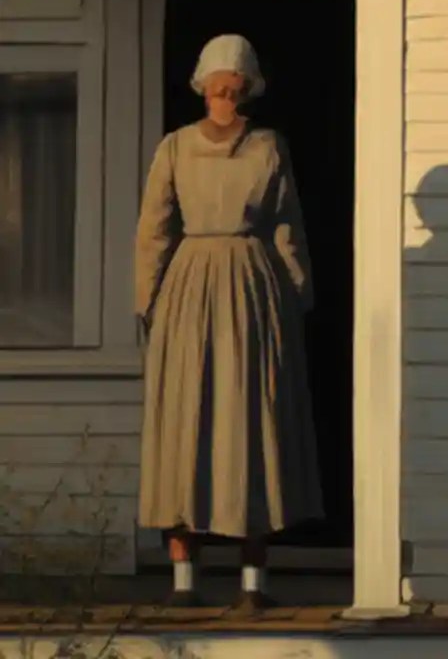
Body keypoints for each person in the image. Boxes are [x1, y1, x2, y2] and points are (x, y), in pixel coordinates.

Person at [134, 34, 324, 612]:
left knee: (250, 420)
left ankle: (251, 582)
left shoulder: (268, 146)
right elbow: (155, 229)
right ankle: (185, 577)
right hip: (192, 286)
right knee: (185, 419)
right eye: (218, 90)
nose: (225, 100)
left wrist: (296, 296)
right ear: (204, 88)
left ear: (245, 89)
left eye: (233, 90)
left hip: (248, 282)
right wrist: (148, 298)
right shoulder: (174, 148)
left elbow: (287, 224)